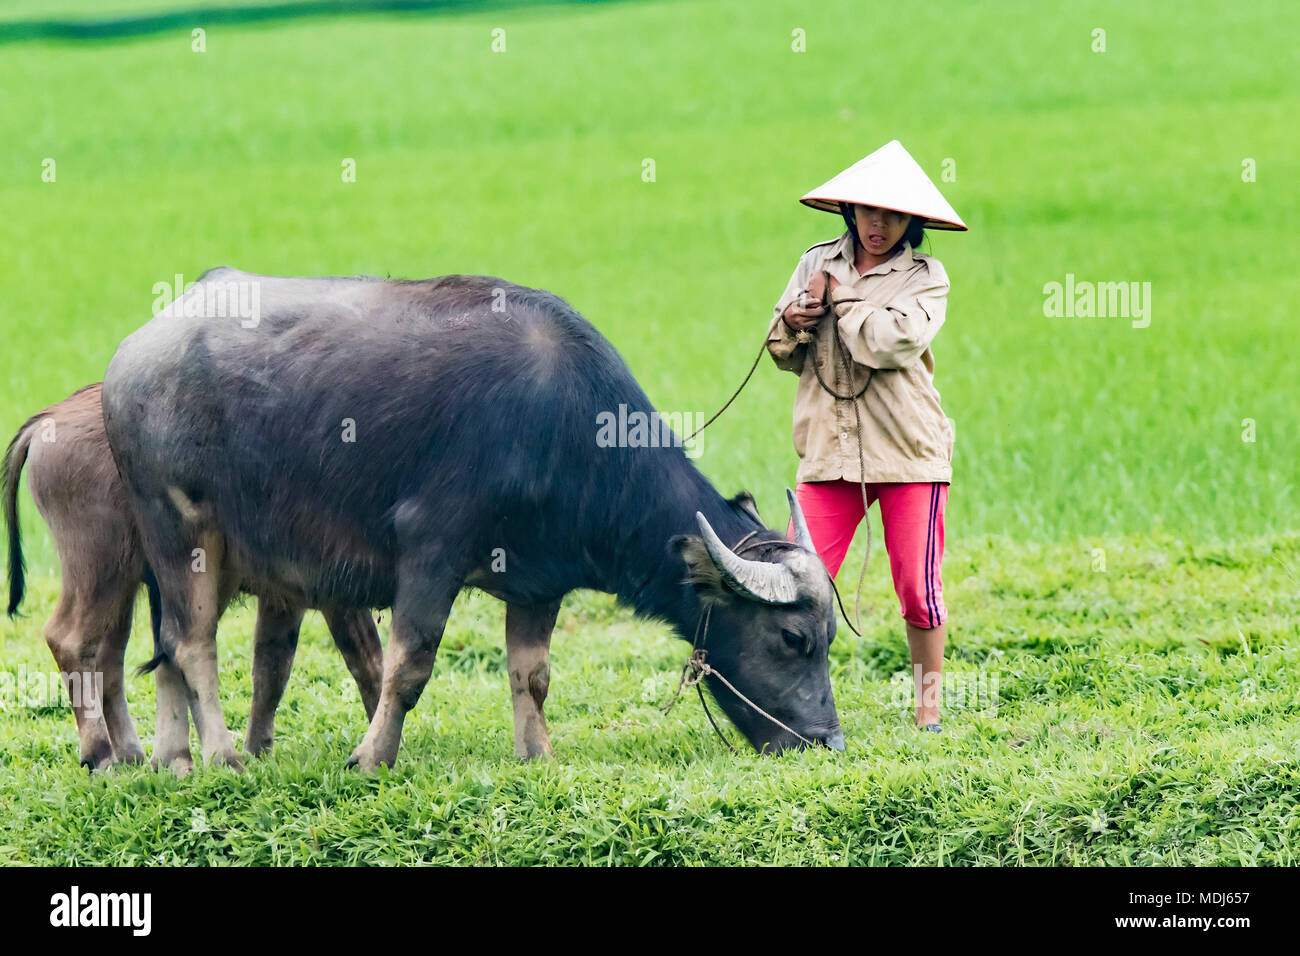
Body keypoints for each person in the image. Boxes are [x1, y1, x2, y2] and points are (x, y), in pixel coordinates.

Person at [767, 140, 967, 731]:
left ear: (912, 223)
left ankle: (927, 713)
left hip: (909, 453)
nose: (878, 226)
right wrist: (794, 321)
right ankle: (788, 709)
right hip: (829, 452)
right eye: (868, 212)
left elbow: (889, 342)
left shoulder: (926, 277)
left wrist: (838, 301)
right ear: (849, 211)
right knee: (790, 584)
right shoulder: (814, 262)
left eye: (894, 215)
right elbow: (779, 349)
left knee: (917, 589)